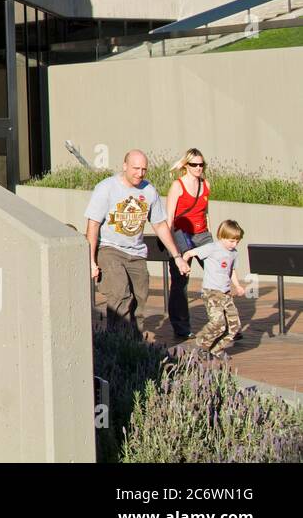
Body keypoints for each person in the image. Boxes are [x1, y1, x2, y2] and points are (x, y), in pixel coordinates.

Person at [85, 150, 190, 336]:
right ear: (124, 166)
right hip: (110, 249)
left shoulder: (148, 191)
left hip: (137, 252)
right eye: (135, 168)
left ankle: (134, 347)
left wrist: (177, 256)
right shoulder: (107, 188)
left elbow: (160, 225)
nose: (140, 173)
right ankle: (118, 343)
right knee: (120, 294)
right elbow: (92, 225)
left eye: (144, 169)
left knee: (140, 300)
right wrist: (91, 260)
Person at [164, 149, 212, 339]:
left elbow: (206, 212)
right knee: (180, 281)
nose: (198, 168)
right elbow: (169, 217)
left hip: (202, 234)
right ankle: (181, 326)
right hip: (181, 234)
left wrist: (212, 237)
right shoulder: (177, 186)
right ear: (186, 166)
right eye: (194, 165)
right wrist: (170, 245)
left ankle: (226, 322)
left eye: (201, 164)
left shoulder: (205, 184)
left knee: (217, 273)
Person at [182, 220, 246, 361]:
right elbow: (189, 253)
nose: (234, 245)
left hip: (226, 293)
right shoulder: (211, 248)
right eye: (231, 241)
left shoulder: (233, 253)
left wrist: (237, 286)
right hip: (211, 292)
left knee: (234, 326)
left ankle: (217, 349)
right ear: (222, 236)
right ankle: (201, 345)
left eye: (237, 242)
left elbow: (232, 270)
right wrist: (184, 264)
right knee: (218, 323)